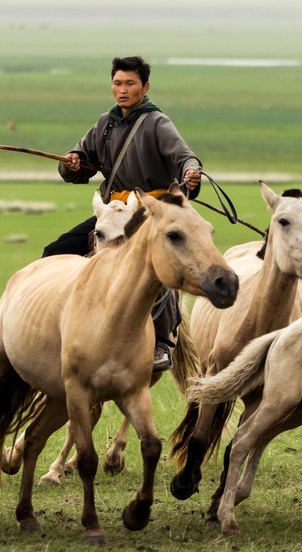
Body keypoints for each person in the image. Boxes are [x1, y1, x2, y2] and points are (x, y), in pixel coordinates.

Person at [42, 56, 202, 372]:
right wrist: (72, 161)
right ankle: (58, 327)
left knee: (161, 271)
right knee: (54, 251)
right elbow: (80, 162)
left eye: (130, 83)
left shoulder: (158, 123)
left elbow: (185, 158)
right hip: (113, 212)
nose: (123, 90)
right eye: (118, 83)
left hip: (147, 212)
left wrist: (192, 172)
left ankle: (161, 343)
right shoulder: (106, 123)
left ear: (145, 87)